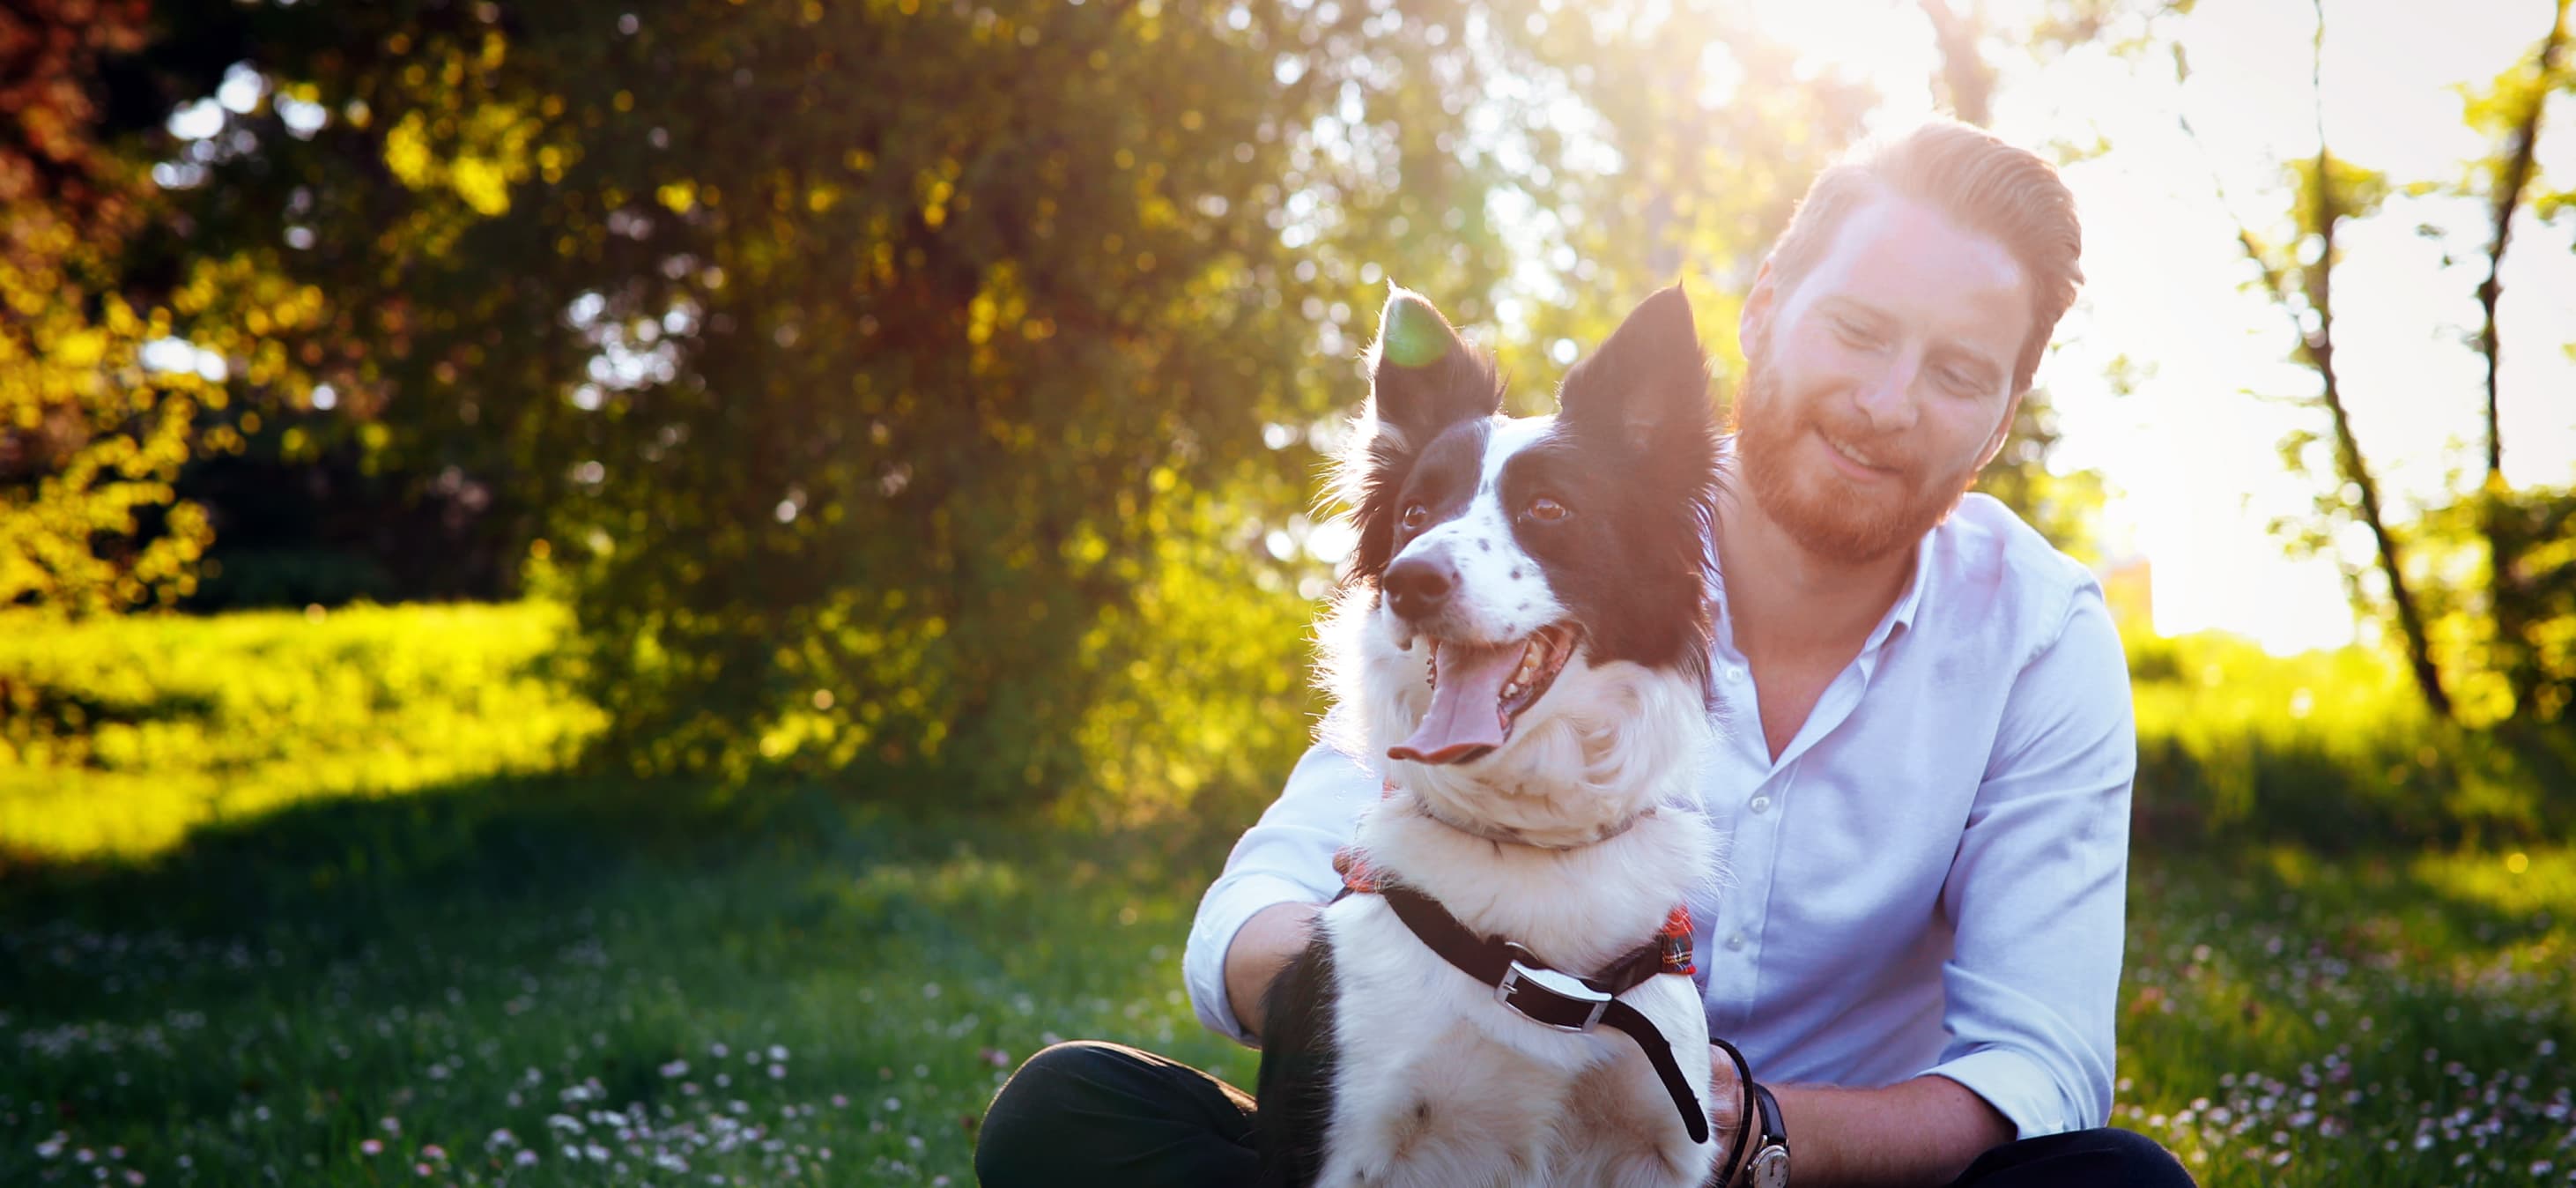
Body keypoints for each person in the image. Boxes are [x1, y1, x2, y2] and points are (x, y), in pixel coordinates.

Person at [976, 120, 2195, 1188]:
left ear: (2007, 407)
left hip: (1789, 1172)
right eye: (1859, 330)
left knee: (2115, 1184)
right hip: (1450, 1140)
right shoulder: (1541, 544)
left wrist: (1751, 1131)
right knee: (1072, 1112)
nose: (1888, 400)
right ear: (1765, 307)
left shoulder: (2042, 635)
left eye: (1956, 371)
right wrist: (1424, 1000)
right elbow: (1252, 914)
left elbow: (2039, 1070)